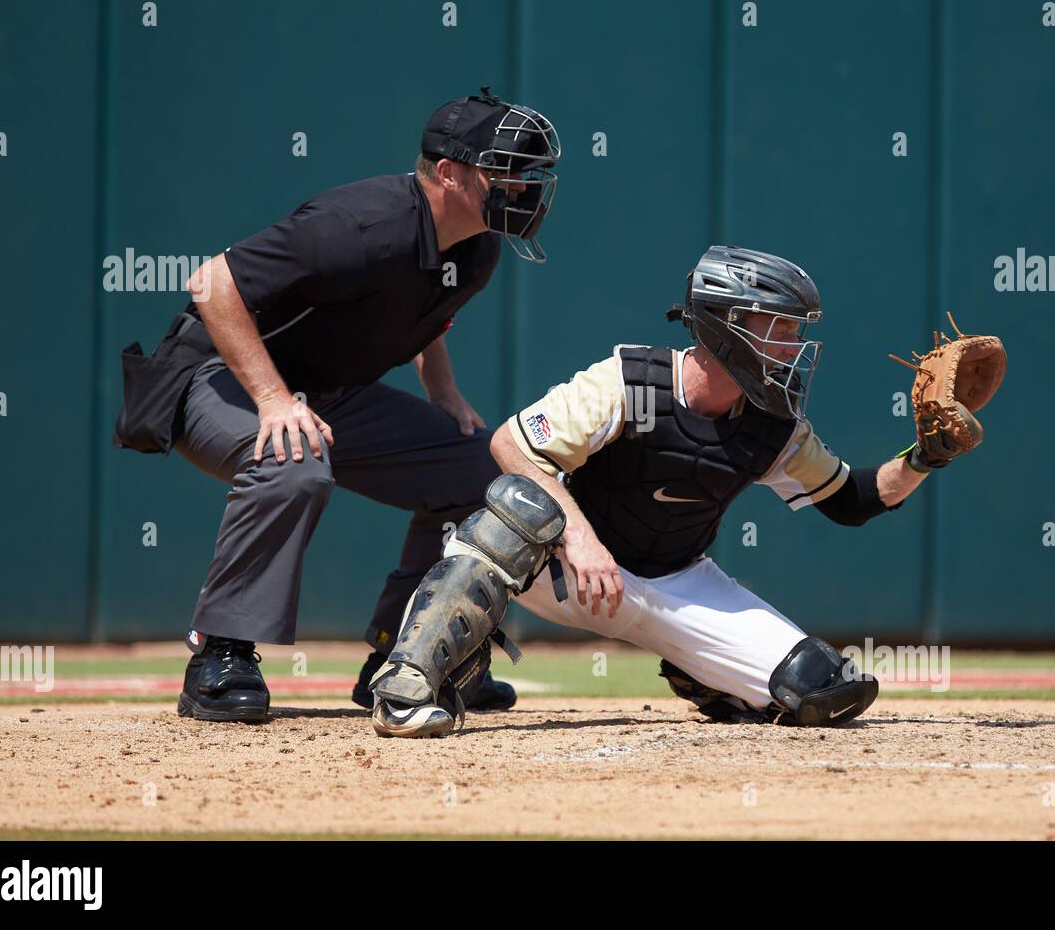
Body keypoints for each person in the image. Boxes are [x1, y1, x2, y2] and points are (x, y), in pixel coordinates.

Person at [369, 245, 980, 738]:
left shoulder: (776, 430)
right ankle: (407, 685)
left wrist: (925, 457)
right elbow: (510, 445)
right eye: (781, 330)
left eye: (797, 332)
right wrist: (581, 543)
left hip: (675, 582)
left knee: (825, 689)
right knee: (511, 509)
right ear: (726, 328)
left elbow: (852, 500)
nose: (794, 349)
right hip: (567, 571)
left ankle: (706, 676)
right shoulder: (629, 382)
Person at [113, 89, 561, 722]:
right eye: (505, 169)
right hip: (213, 375)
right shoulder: (360, 227)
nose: (521, 187)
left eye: (528, 174)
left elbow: (426, 317)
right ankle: (219, 656)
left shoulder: (477, 249)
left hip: (326, 394)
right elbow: (212, 283)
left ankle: (410, 658)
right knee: (294, 457)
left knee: (483, 476)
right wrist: (272, 401)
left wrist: (445, 396)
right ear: (449, 173)